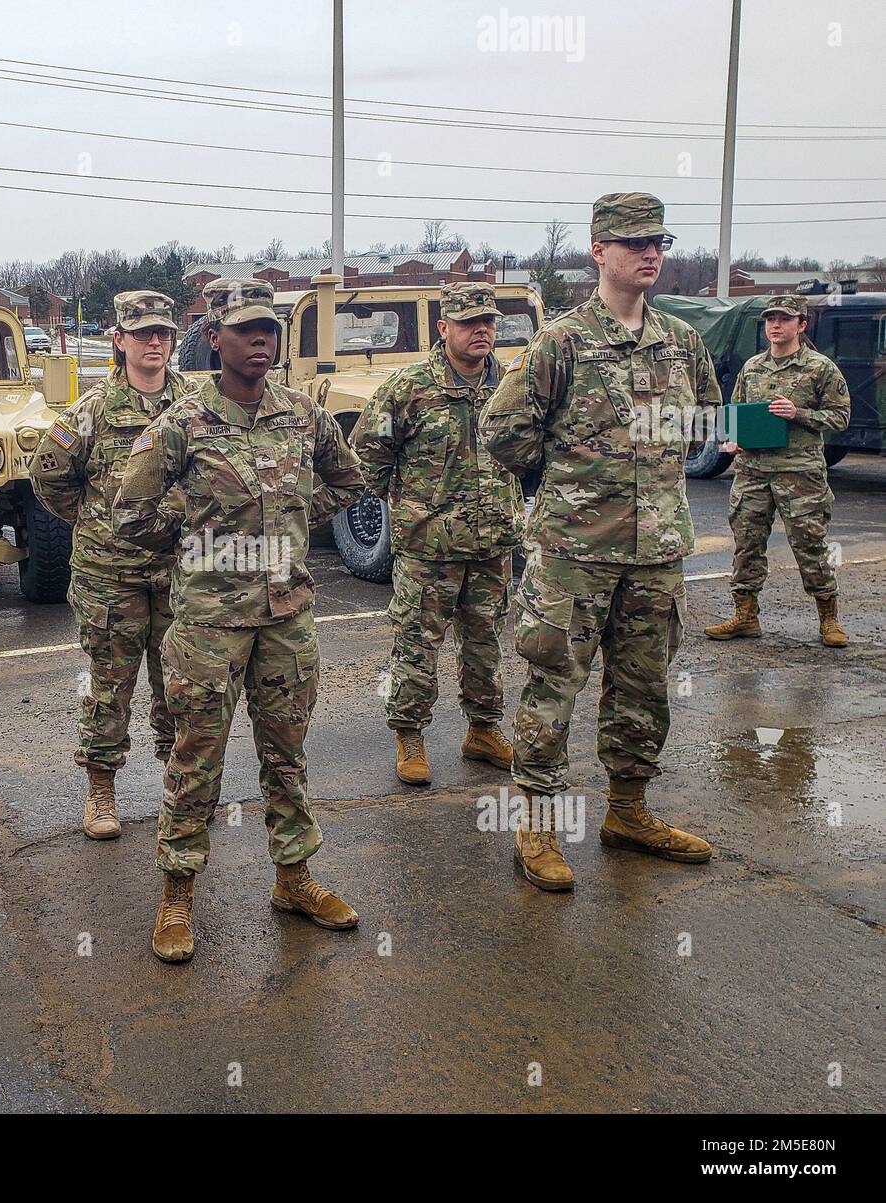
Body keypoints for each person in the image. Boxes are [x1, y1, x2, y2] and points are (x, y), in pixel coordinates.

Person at [112, 278, 365, 963]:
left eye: (270, 330)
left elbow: (348, 481)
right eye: (247, 329)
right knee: (196, 760)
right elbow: (129, 513)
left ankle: (294, 878)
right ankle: (177, 894)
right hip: (208, 625)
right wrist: (196, 540)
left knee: (287, 756)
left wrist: (284, 526)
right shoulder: (183, 423)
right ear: (214, 339)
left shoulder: (303, 415)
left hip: (286, 617)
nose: (262, 340)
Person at [480, 193, 721, 892]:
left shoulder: (680, 340)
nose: (651, 253)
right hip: (574, 556)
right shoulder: (563, 340)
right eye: (635, 242)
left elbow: (705, 416)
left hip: (656, 554)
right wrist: (573, 475)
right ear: (598, 251)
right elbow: (502, 432)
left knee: (643, 690)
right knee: (553, 687)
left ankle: (628, 811)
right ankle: (536, 827)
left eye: (659, 242)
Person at [31, 291, 192, 838]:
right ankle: (101, 791)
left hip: (179, 572)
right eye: (143, 332)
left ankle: (180, 787)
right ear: (119, 340)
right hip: (110, 576)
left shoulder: (195, 405)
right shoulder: (92, 410)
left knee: (183, 686)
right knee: (109, 685)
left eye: (163, 333)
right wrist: (94, 520)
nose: (154, 342)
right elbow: (49, 475)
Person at [352, 282, 524, 785]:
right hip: (429, 548)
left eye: (489, 322)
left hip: (493, 544)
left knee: (486, 640)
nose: (482, 331)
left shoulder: (512, 386)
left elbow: (532, 449)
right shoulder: (406, 389)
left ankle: (484, 729)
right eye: (470, 323)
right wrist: (409, 509)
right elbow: (368, 456)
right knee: (416, 644)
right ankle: (409, 734)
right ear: (443, 327)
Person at [704, 294, 850, 647]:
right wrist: (734, 439)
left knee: (810, 544)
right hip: (752, 471)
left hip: (799, 473)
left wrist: (797, 413)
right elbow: (736, 411)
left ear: (802, 325)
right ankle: (744, 615)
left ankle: (828, 619)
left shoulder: (820, 368)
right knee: (746, 545)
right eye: (771, 319)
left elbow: (841, 417)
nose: (775, 325)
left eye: (784, 319)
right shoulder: (752, 367)